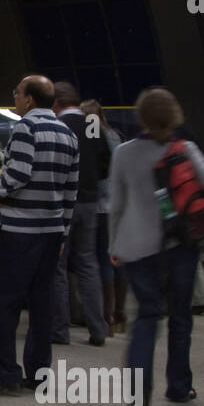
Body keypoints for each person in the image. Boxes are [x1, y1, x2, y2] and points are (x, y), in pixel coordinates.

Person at [109, 87, 204, 406]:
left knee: (146, 316)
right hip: (179, 246)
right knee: (181, 317)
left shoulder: (124, 153)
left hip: (137, 248)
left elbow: (116, 205)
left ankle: (136, 394)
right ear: (174, 116)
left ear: (140, 117)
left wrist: (113, 246)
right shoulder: (184, 148)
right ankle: (179, 386)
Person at [0, 75, 79, 396]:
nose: (15, 98)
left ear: (30, 100)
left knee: (4, 301)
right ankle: (38, 373)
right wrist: (62, 233)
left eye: (17, 93)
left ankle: (7, 372)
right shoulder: (68, 134)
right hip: (51, 232)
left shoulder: (26, 128)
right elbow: (70, 190)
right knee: (41, 304)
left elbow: (17, 174)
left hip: (19, 231)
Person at [50, 82, 109, 348]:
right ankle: (98, 329)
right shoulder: (92, 125)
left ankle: (60, 330)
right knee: (88, 263)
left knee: (58, 265)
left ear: (56, 103)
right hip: (89, 202)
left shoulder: (56, 127)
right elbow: (105, 163)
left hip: (62, 202)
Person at [81, 99, 127, 337]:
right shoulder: (115, 135)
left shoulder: (93, 138)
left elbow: (99, 178)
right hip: (117, 208)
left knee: (99, 260)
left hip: (98, 207)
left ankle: (105, 317)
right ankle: (119, 314)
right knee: (116, 259)